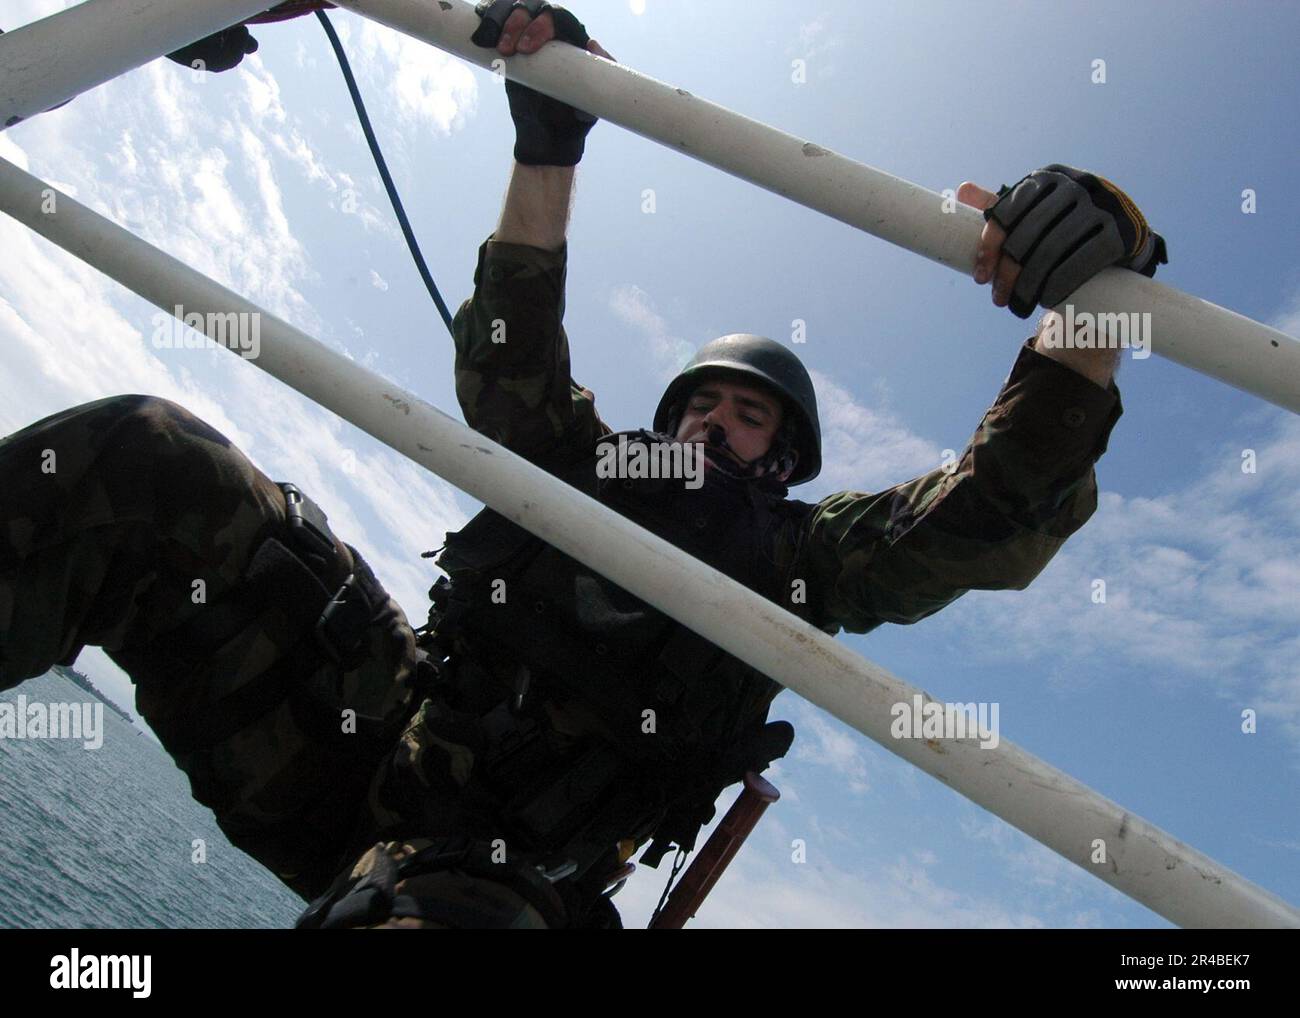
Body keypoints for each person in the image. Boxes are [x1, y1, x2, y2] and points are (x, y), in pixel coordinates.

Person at [0, 2, 1166, 929]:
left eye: (747, 416)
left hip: (514, 876)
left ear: (787, 458)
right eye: (698, 400)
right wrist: (550, 136)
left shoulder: (801, 559)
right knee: (148, 465)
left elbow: (988, 518)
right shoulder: (591, 467)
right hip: (362, 745)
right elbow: (507, 381)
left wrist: (1097, 291)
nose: (714, 421)